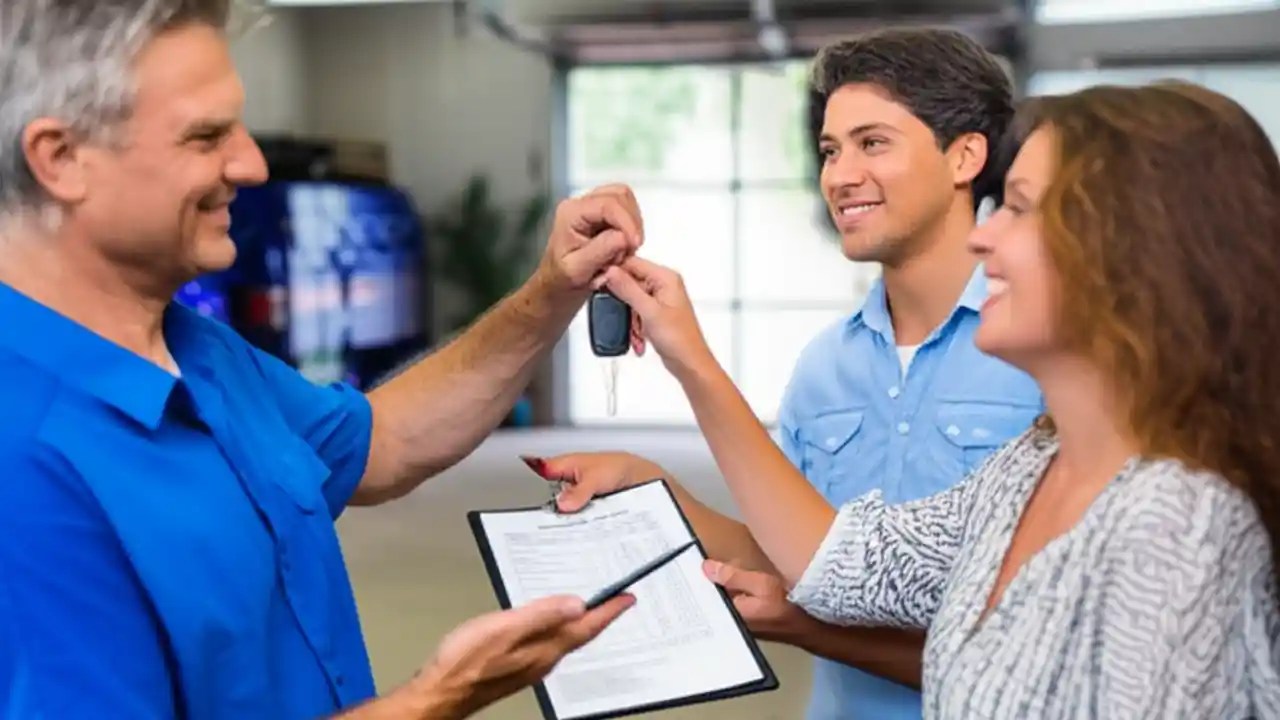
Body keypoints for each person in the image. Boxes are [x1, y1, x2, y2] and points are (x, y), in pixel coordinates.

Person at [548, 81, 1280, 716]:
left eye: (1020, 208)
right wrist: (679, 397)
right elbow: (844, 563)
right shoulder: (1029, 467)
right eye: (831, 149)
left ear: (1133, 250)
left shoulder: (1178, 518)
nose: (985, 237)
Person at [0, 1, 640, 717]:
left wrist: (554, 289)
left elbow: (385, 440)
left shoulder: (195, 348)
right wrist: (438, 699)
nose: (251, 164)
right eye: (206, 136)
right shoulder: (22, 463)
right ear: (61, 158)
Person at [539, 28, 1043, 719]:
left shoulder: (1046, 355)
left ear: (965, 156)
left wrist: (693, 363)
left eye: (873, 143)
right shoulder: (824, 366)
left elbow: (1030, 644)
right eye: (831, 151)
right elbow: (800, 557)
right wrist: (651, 489)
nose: (839, 176)